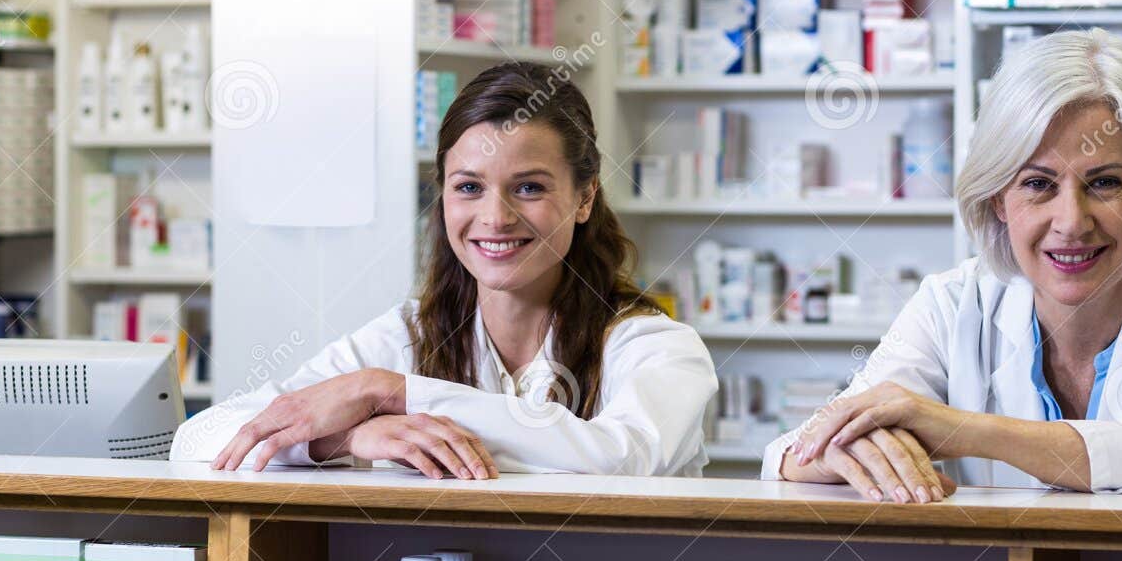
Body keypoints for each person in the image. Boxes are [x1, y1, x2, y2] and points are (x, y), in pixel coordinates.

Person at [763, 29, 1122, 501]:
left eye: (1106, 183)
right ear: (999, 198)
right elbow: (796, 451)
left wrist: (965, 431)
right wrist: (836, 451)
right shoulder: (953, 304)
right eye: (1038, 184)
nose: (1071, 221)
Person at [172, 63, 717, 478]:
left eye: (529, 187)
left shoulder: (655, 346)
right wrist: (347, 439)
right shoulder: (408, 334)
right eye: (469, 187)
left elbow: (624, 457)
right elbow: (202, 439)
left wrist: (393, 395)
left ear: (584, 198)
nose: (496, 217)